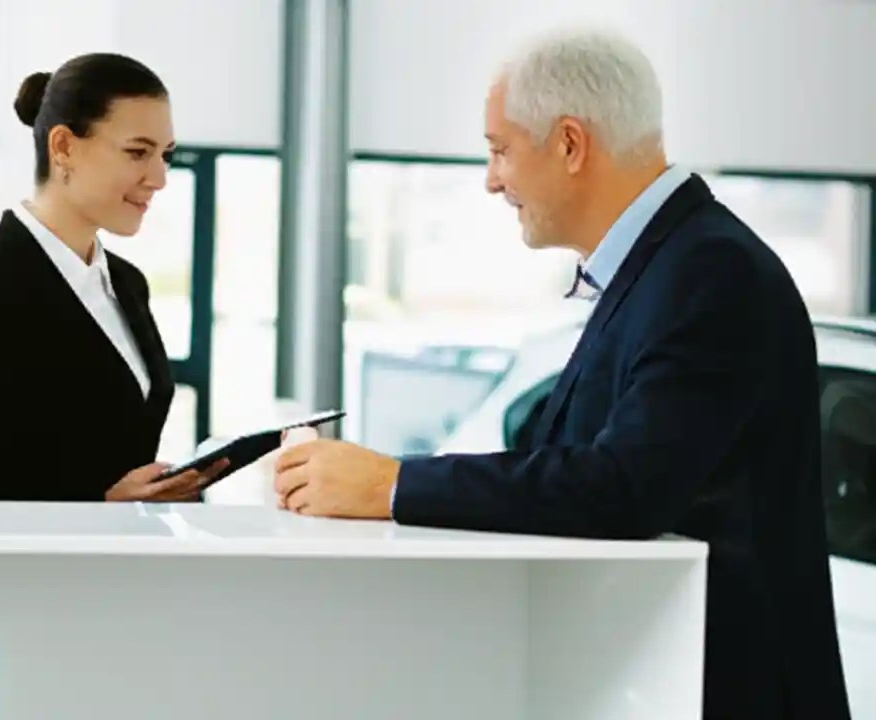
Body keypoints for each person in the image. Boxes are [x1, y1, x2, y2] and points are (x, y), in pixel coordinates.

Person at [273, 30, 851, 719]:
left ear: (570, 143)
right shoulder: (670, 266)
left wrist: (390, 485)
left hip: (719, 688)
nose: (492, 180)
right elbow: (562, 468)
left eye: (499, 151)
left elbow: (623, 488)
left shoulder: (707, 272)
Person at [0, 53, 227, 502]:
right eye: (138, 152)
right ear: (63, 147)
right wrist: (100, 502)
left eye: (166, 155)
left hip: (124, 564)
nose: (159, 178)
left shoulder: (127, 284)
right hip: (29, 570)